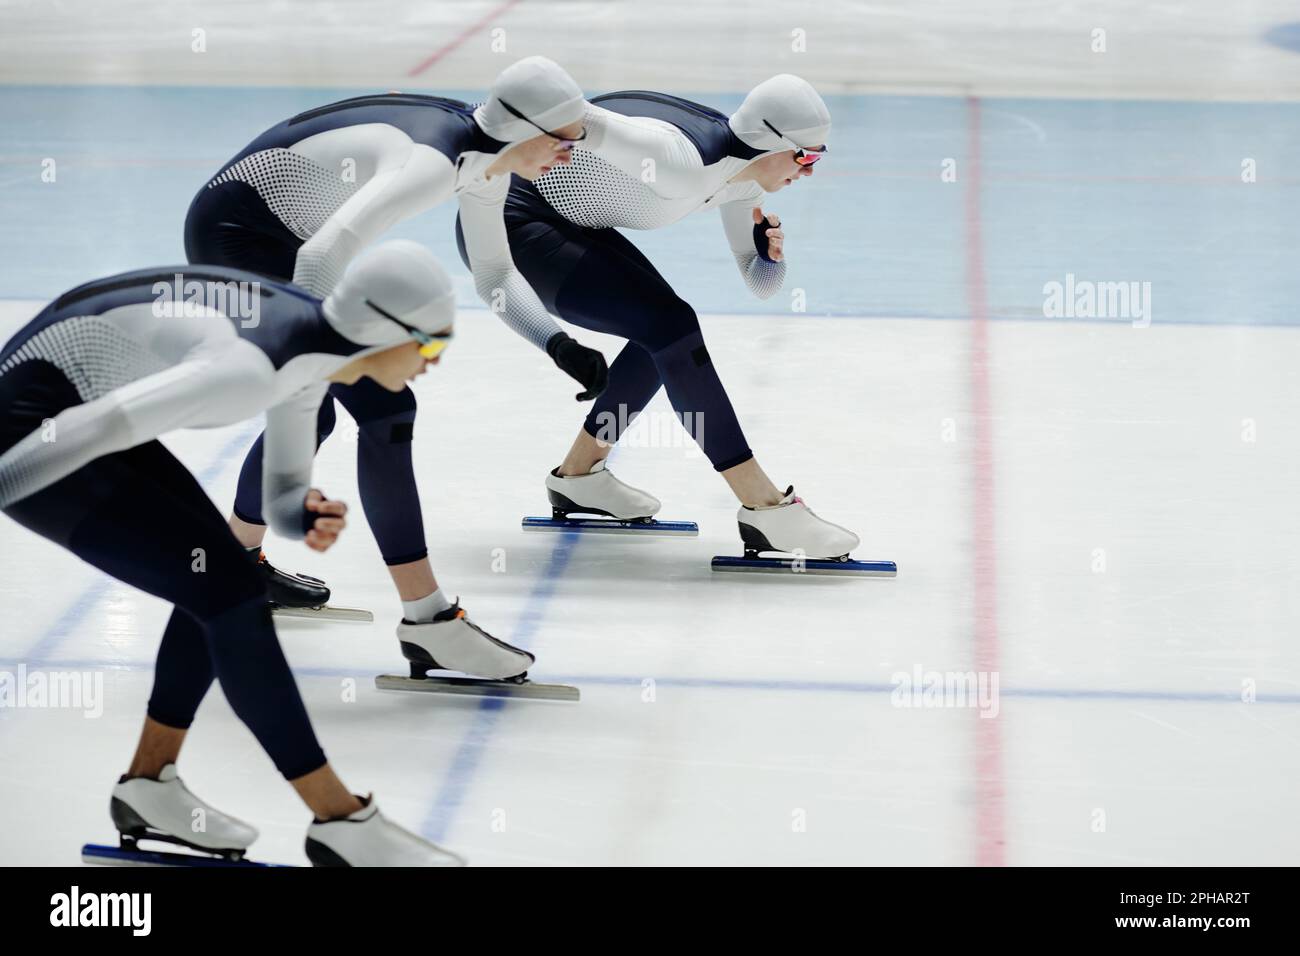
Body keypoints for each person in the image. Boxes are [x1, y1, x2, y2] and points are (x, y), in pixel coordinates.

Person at [0, 241, 466, 866]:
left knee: (217, 578)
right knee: (233, 595)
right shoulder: (250, 368)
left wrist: (300, 513)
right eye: (430, 344)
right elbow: (93, 429)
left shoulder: (315, 354)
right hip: (37, 426)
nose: (434, 362)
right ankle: (340, 817)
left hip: (78, 405)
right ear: (383, 327)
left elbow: (279, 500)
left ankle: (148, 785)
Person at [183, 57, 605, 679]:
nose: (572, 156)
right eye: (566, 140)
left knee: (334, 408)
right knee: (384, 408)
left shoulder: (486, 161)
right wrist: (317, 359)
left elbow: (493, 275)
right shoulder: (433, 164)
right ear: (524, 127)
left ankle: (235, 564)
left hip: (287, 237)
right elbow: (324, 253)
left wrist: (557, 344)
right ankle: (429, 622)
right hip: (235, 236)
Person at [483, 75, 861, 559]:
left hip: (569, 221)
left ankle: (578, 477)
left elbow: (760, 284)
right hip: (513, 225)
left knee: (659, 332)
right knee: (670, 327)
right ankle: (763, 505)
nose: (809, 171)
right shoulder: (679, 160)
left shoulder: (741, 181)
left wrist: (770, 258)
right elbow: (574, 114)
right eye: (805, 156)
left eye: (818, 157)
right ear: (771, 140)